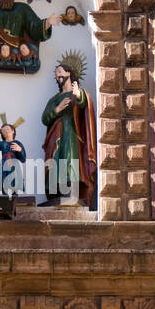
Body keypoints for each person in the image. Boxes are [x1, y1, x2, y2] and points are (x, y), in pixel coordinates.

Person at [42, 61, 97, 208]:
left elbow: (84, 105)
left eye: (60, 71)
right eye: (56, 73)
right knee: (55, 162)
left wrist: (79, 95)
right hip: (56, 135)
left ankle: (72, 192)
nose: (57, 75)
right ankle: (55, 193)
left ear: (68, 74)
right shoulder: (54, 99)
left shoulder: (77, 93)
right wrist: (57, 109)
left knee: (70, 160)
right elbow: (45, 118)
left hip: (72, 134)